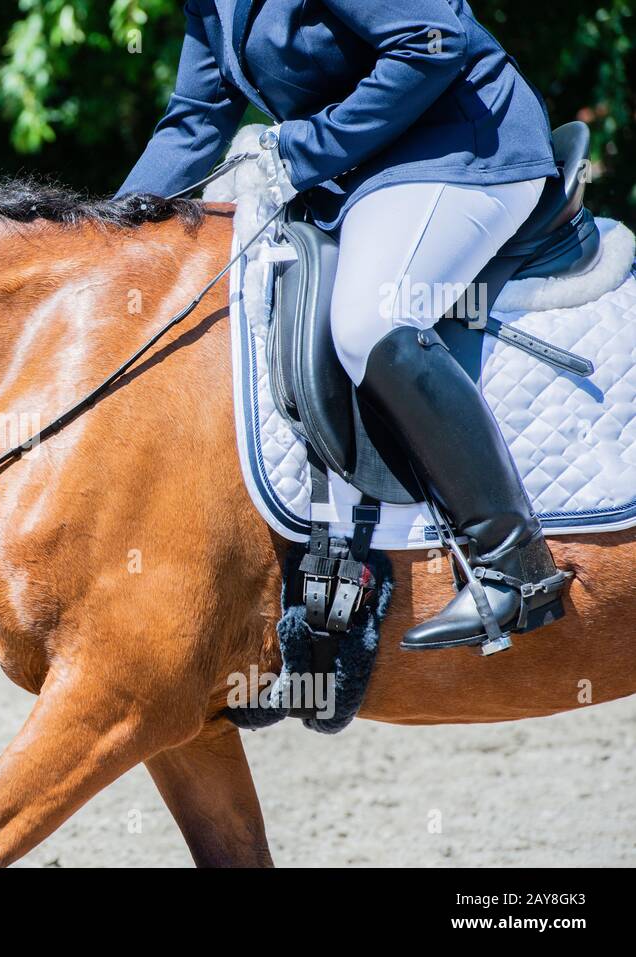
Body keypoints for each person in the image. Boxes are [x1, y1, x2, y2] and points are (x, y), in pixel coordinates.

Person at [119, 0, 564, 650]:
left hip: (458, 147)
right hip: (359, 172)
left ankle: (515, 565)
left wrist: (302, 150)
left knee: (371, 318)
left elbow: (430, 42)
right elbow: (192, 122)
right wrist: (101, 235)